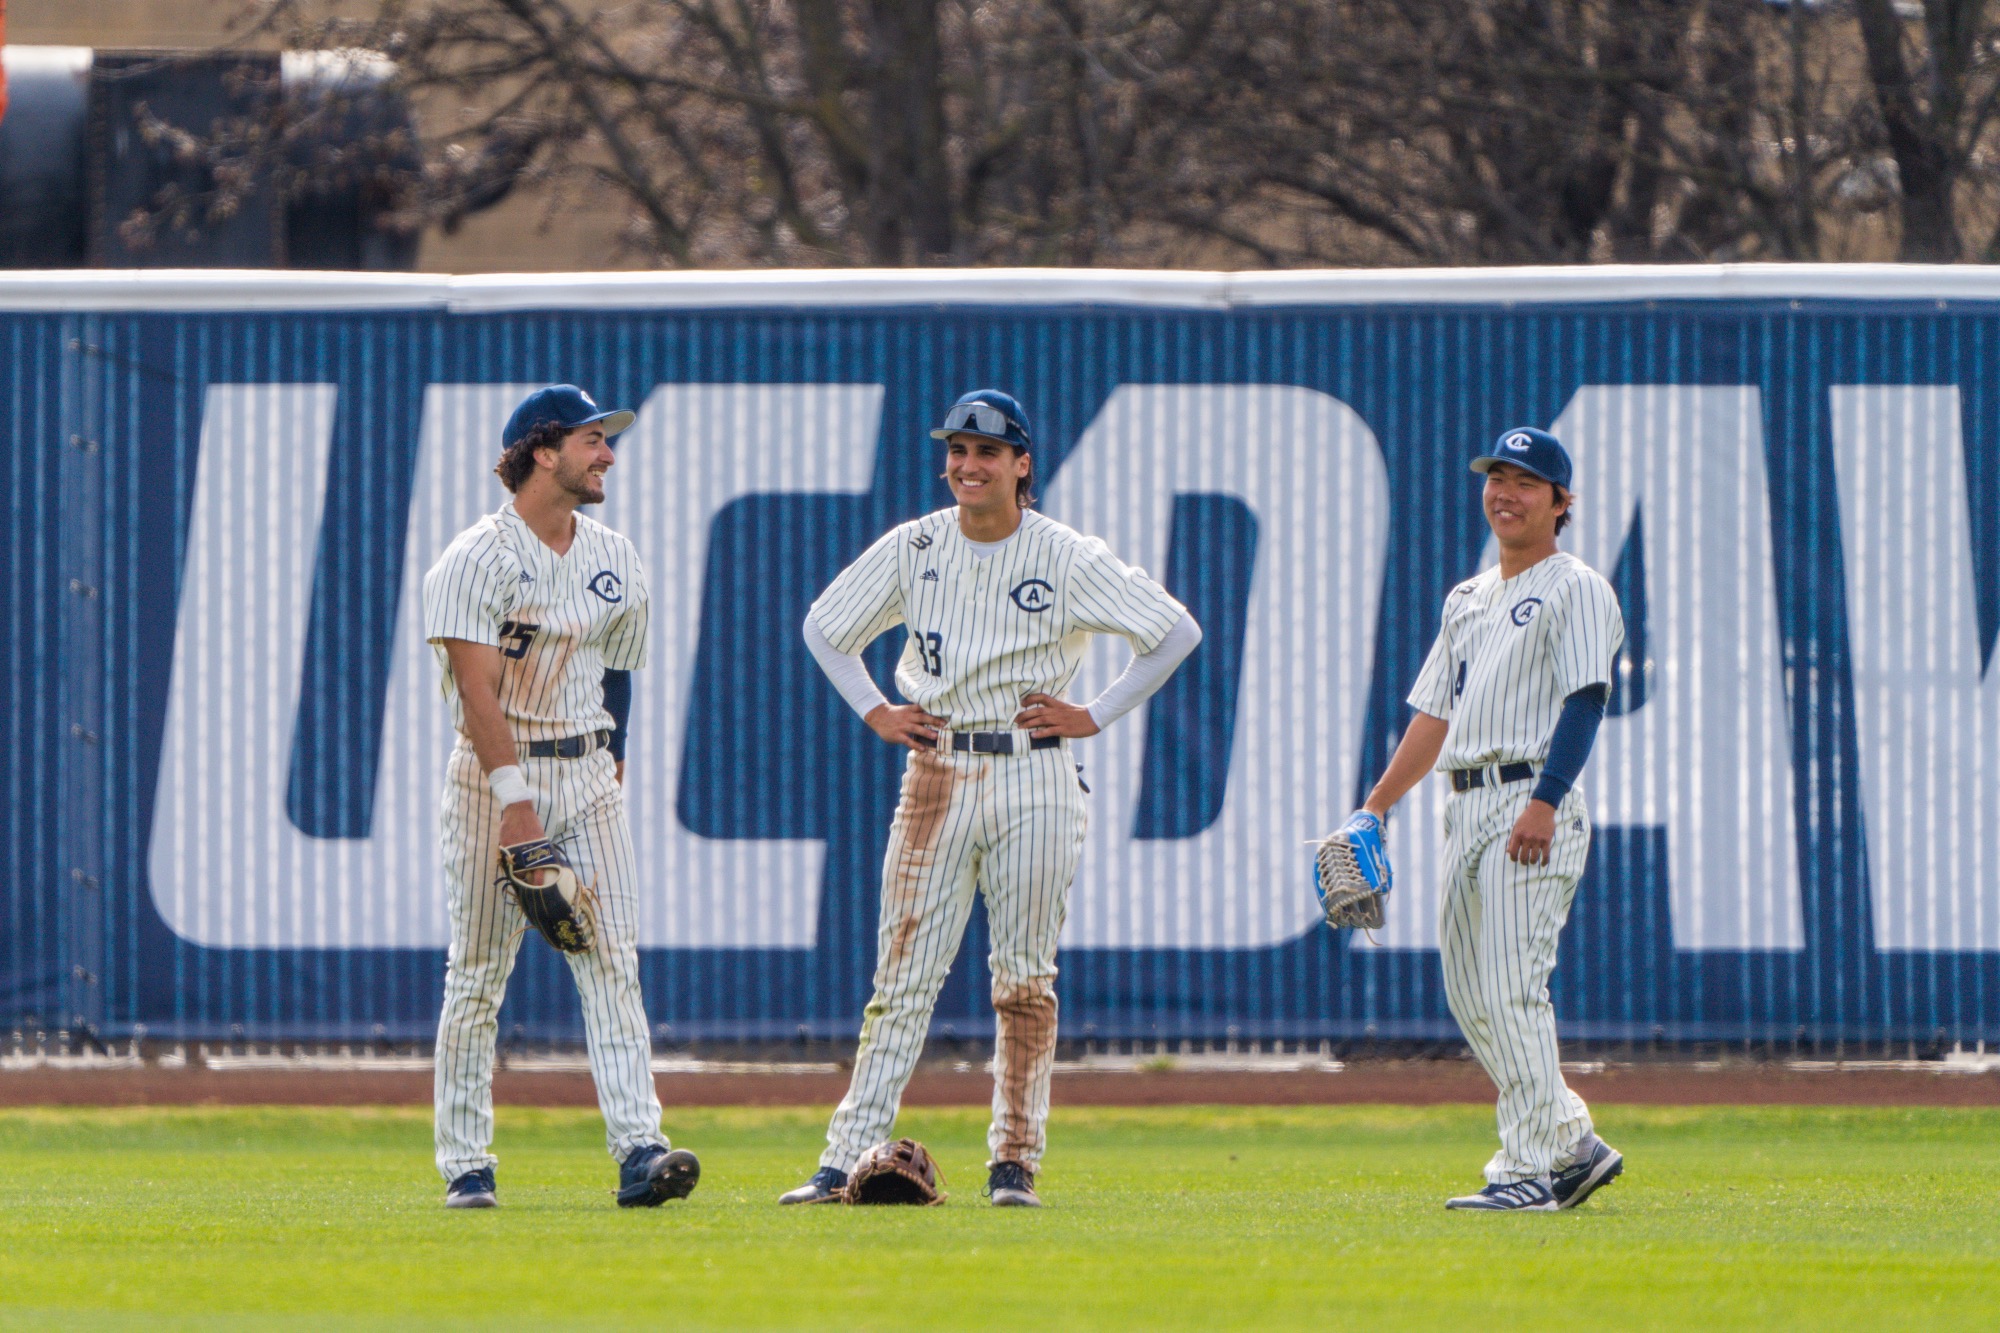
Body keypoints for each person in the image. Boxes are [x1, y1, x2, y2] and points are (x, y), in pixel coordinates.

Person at [781, 389, 1202, 1207]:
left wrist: (1096, 712)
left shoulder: (1064, 553)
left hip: (1035, 770)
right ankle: (840, 1162)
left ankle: (1014, 1160)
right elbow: (826, 625)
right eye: (957, 451)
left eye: (985, 452)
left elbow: (1174, 631)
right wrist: (875, 708)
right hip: (938, 766)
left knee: (1023, 979)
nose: (966, 465)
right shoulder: (915, 546)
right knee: (901, 978)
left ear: (1022, 464)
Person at [422, 384, 697, 1209]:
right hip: (493, 774)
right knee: (478, 974)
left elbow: (620, 670)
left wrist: (612, 763)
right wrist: (516, 805)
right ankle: (467, 1163)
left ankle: (640, 1150)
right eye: (591, 439)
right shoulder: (474, 559)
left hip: (586, 766)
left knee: (612, 957)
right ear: (544, 451)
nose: (607, 453)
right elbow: (477, 695)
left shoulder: (615, 555)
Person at [1350, 426, 1625, 1211]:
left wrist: (1545, 797)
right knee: (1471, 992)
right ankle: (1572, 1139)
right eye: (1496, 477)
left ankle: (1529, 1169)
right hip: (1464, 804)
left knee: (1512, 985)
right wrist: (1376, 807)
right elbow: (1433, 716)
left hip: (1528, 798)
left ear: (1561, 502)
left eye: (1527, 481)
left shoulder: (1577, 585)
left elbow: (1586, 697)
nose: (1505, 492)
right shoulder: (1467, 599)